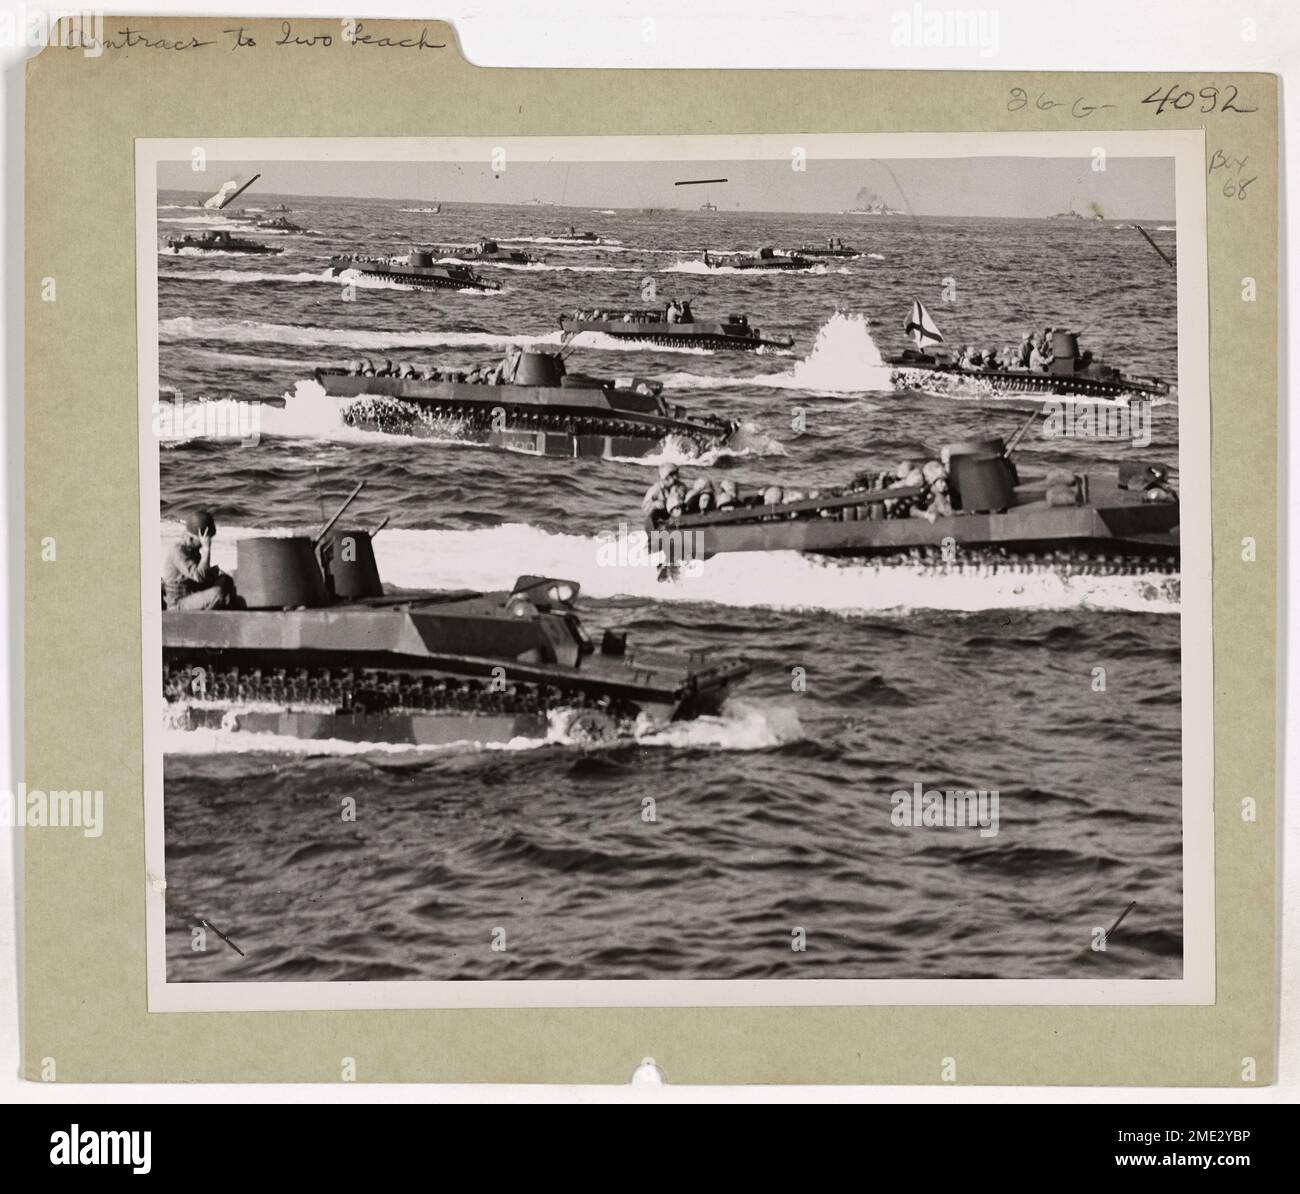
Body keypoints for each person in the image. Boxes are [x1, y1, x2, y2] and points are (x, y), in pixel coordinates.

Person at [163, 510, 235, 610]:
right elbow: (199, 577)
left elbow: (202, 579)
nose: (205, 543)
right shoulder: (178, 552)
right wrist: (206, 550)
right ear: (193, 538)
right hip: (178, 604)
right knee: (216, 594)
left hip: (193, 595)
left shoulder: (193, 550)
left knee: (227, 579)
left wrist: (214, 573)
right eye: (204, 540)